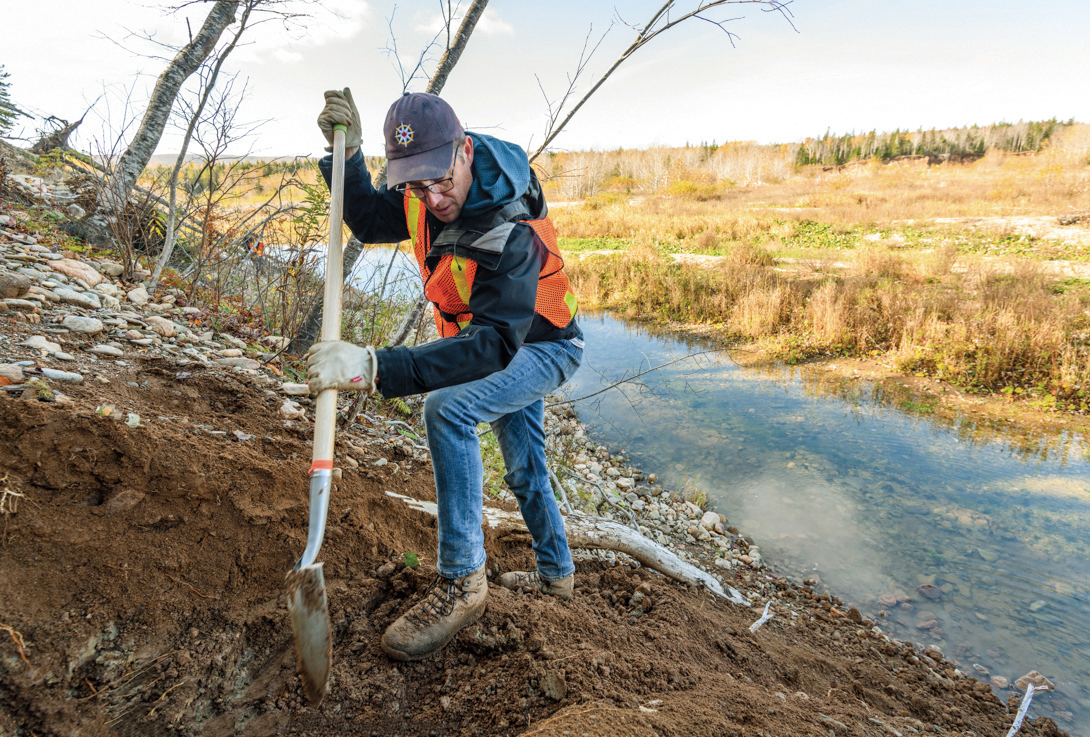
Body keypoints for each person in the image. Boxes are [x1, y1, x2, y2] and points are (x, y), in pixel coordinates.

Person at [306, 89, 585, 661]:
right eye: (417, 184)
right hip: (492, 346)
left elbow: (495, 345)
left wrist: (375, 366)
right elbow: (366, 218)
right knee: (527, 467)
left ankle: (463, 582)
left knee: (449, 408)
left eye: (441, 181)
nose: (432, 198)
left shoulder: (508, 222)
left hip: (543, 345)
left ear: (464, 151)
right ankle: (558, 578)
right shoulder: (421, 190)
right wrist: (350, 155)